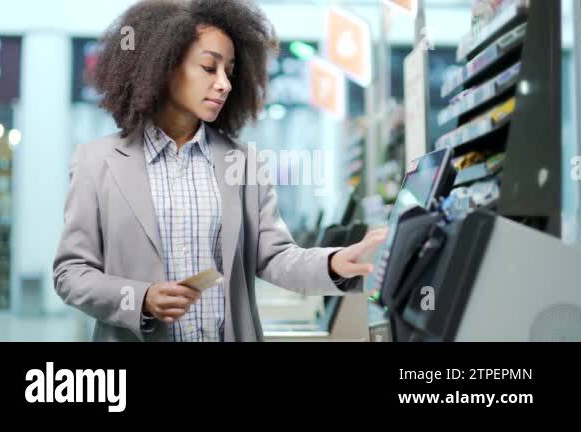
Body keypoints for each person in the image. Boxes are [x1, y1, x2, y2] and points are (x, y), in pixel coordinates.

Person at [52, 0, 386, 342]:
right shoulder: (97, 162)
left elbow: (273, 257)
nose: (224, 84)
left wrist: (333, 264)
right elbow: (71, 274)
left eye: (229, 71)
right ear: (163, 67)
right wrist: (140, 298)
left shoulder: (242, 163)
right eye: (209, 68)